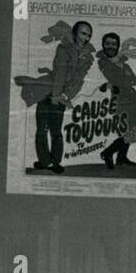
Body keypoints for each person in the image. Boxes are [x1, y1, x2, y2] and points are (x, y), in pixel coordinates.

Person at [34, 21, 94, 174]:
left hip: (61, 96)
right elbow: (60, 74)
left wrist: (66, 96)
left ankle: (55, 162)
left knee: (56, 130)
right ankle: (43, 161)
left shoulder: (88, 57)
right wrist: (55, 96)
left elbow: (80, 79)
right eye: (83, 33)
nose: (85, 38)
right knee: (41, 129)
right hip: (47, 92)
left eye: (88, 35)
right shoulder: (64, 49)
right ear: (74, 34)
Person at [96, 32, 136, 170]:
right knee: (133, 128)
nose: (110, 46)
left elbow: (134, 80)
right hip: (121, 100)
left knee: (134, 128)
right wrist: (121, 79)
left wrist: (125, 77)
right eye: (107, 43)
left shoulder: (123, 64)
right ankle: (108, 153)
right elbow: (116, 79)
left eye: (113, 44)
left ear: (118, 46)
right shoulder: (103, 61)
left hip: (133, 97)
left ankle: (121, 157)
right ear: (103, 45)